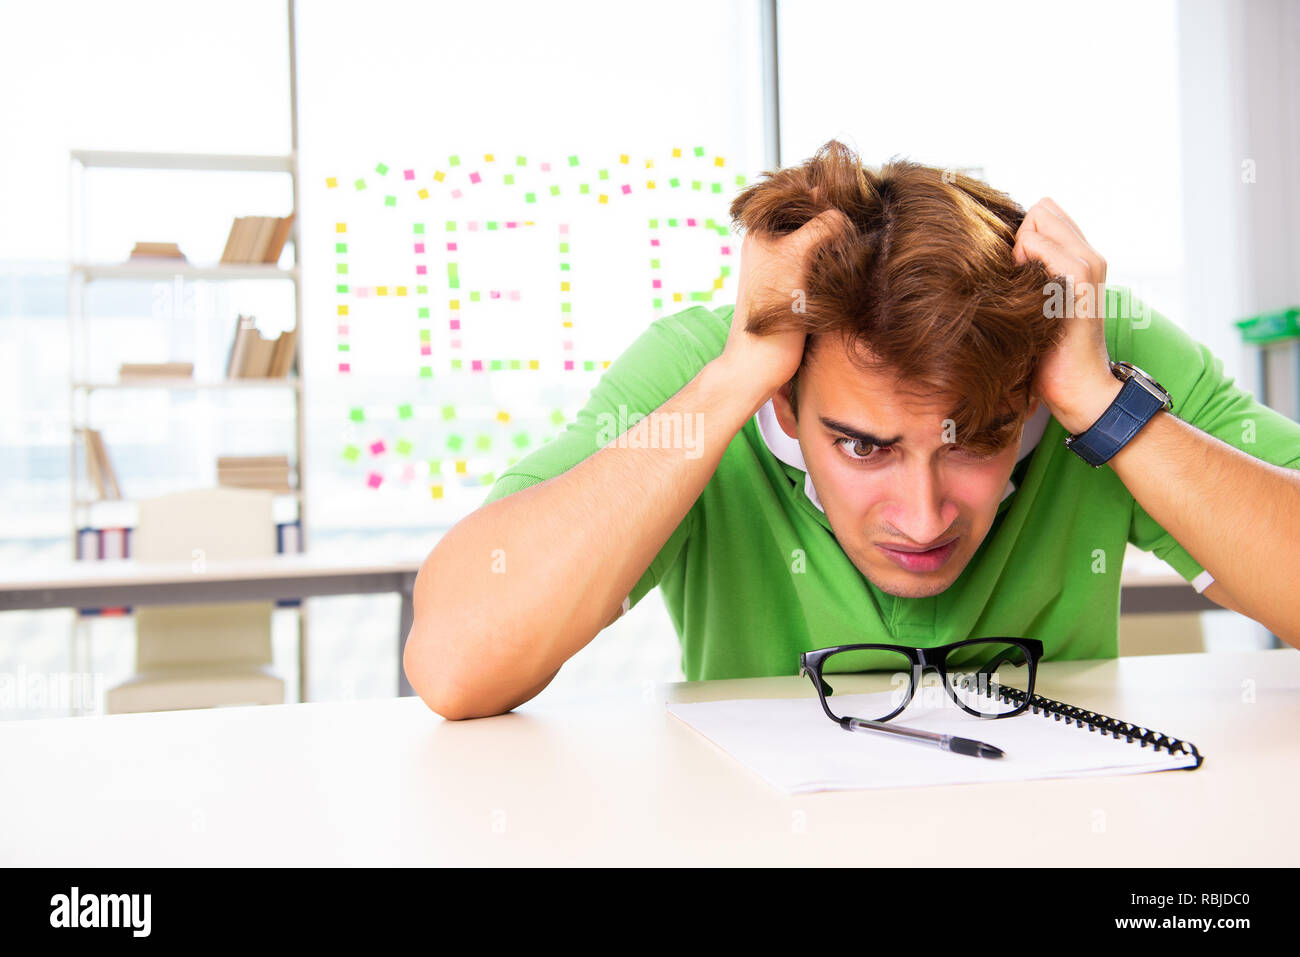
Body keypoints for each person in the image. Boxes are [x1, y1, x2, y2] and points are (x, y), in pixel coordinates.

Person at [404, 139, 1300, 720]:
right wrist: (734, 381)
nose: (922, 517)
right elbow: (453, 664)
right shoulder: (715, 369)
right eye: (864, 445)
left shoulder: (1093, 349)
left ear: (1030, 396)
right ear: (785, 403)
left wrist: (1104, 408)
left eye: (977, 440)